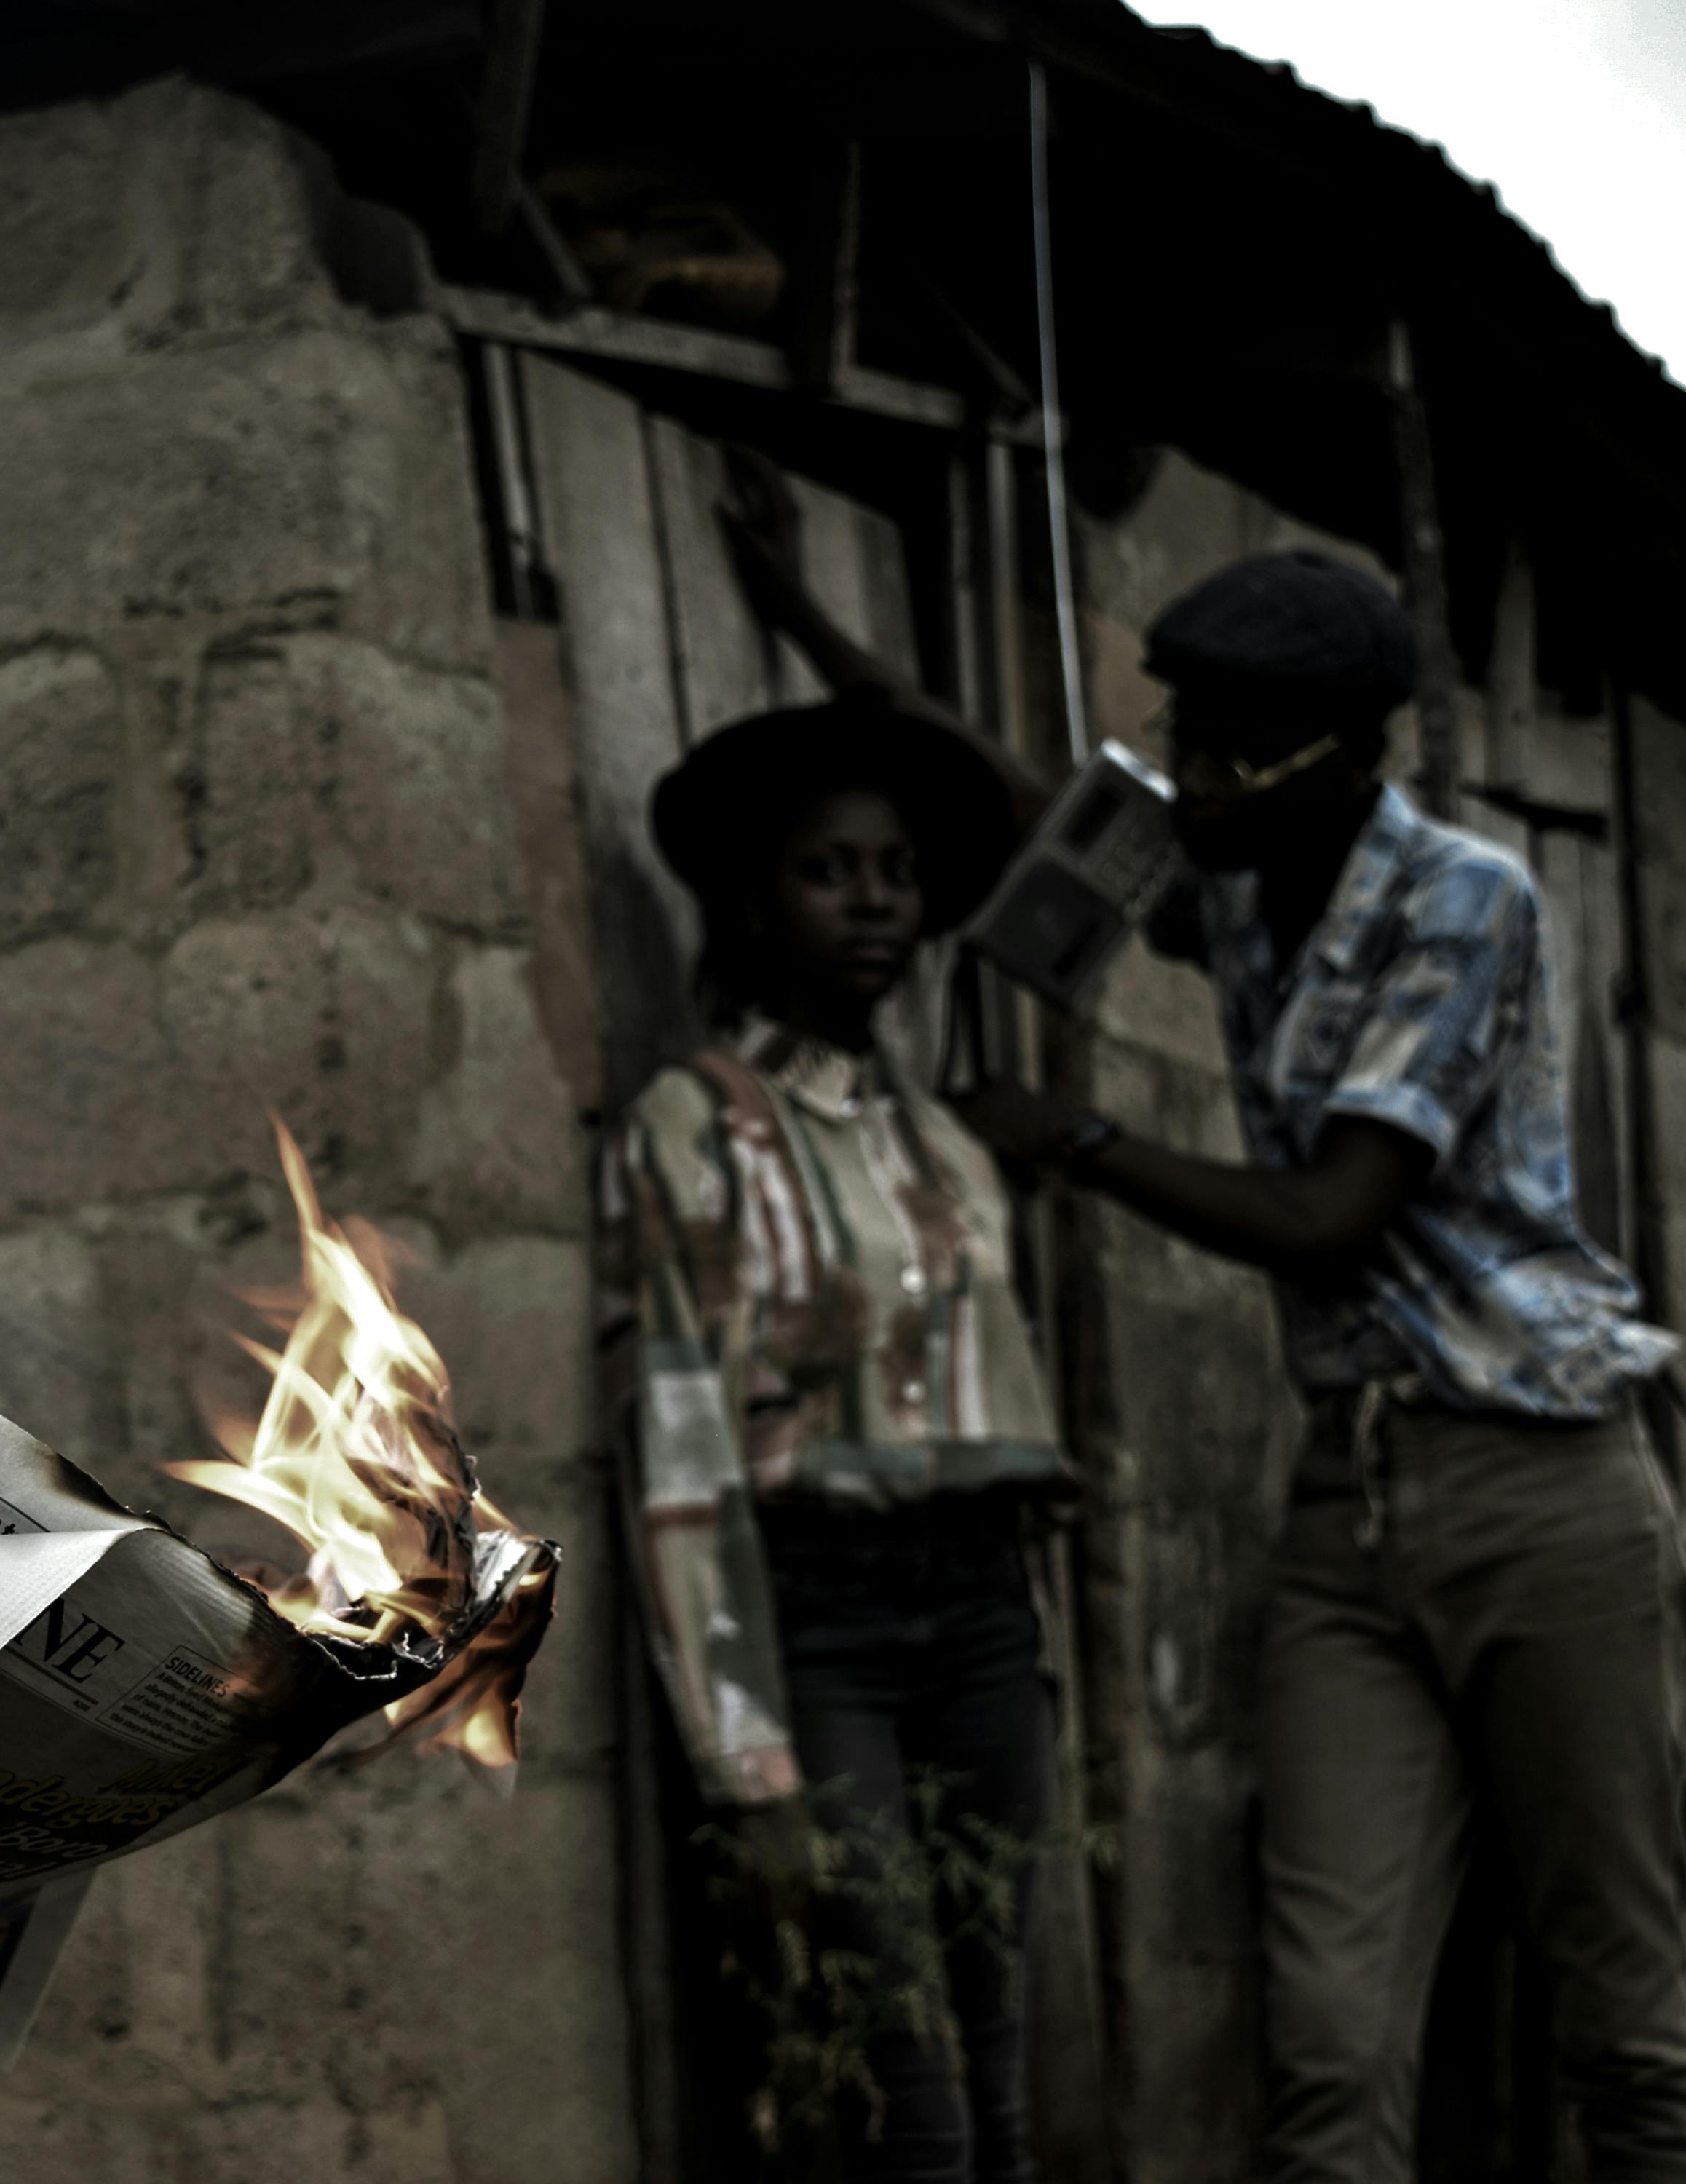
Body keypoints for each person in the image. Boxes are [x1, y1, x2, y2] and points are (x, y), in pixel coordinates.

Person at [952, 550, 1686, 2182]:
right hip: (1346, 1515)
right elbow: (1056, 813)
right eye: (1187, 731)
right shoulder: (1233, 879)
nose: (1192, 774)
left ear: (1343, 760)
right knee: (1326, 2042)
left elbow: (1329, 1213)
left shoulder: (1466, 898)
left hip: (1539, 1491)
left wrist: (1074, 1139)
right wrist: (858, 674)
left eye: (1230, 748)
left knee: (1625, 2019)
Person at [597, 695, 1069, 2183]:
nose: (870, 901)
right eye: (826, 868)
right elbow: (676, 1449)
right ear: (749, 897)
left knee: (997, 2075)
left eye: (896, 871)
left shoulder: (942, 1144)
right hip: (821, 1621)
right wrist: (748, 1762)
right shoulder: (690, 1126)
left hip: (985, 1618)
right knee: (899, 2083)